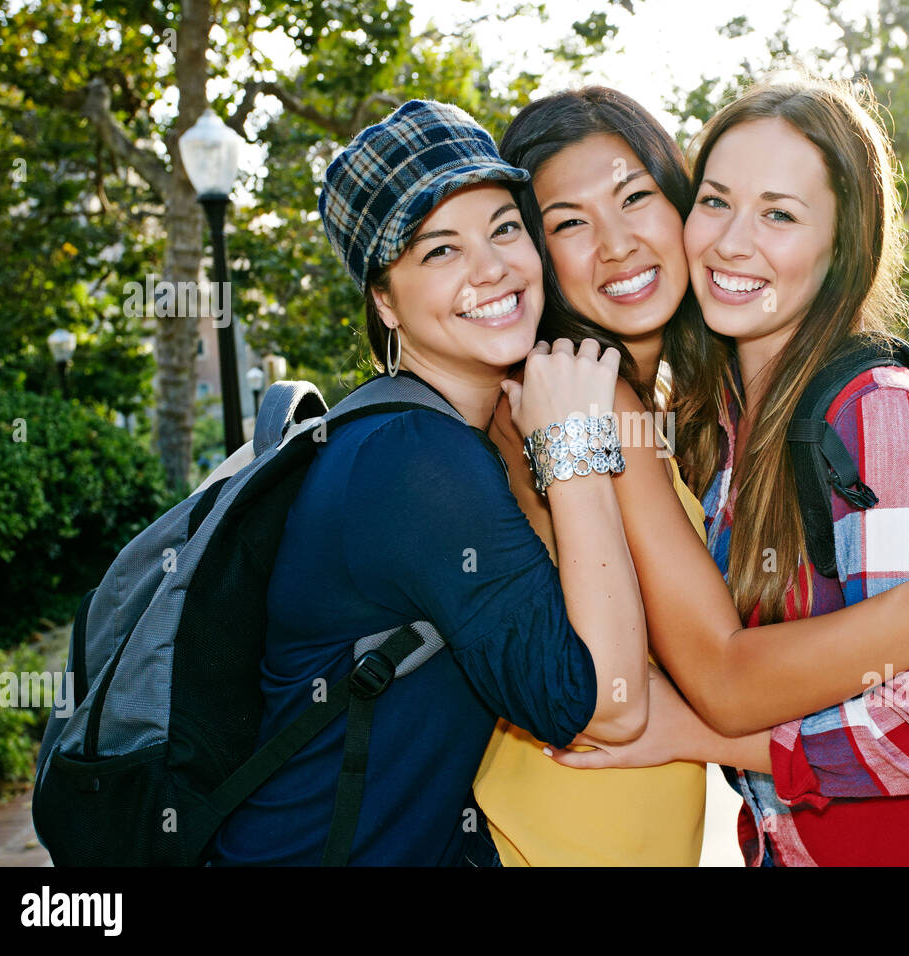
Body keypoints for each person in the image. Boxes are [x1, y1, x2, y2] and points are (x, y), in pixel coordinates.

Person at [474, 87, 909, 866]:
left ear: (841, 244)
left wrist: (693, 732)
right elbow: (722, 672)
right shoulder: (636, 412)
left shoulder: (857, 414)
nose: (614, 245)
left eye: (779, 214)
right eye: (568, 222)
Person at [209, 99, 649, 866]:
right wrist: (574, 443)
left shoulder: (411, 435)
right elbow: (607, 707)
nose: (491, 268)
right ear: (385, 300)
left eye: (504, 227)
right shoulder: (413, 459)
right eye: (439, 250)